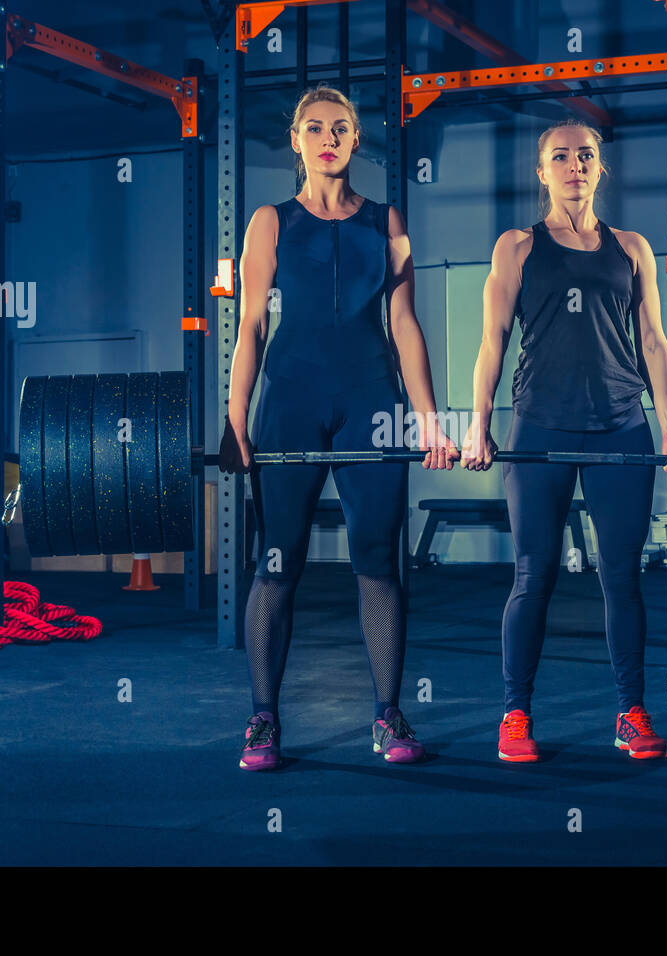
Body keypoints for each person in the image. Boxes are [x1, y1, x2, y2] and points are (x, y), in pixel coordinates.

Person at [219, 86, 458, 771]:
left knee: (378, 564)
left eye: (342, 128)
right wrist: (236, 422)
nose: (329, 137)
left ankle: (388, 715)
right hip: (290, 402)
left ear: (358, 141)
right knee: (277, 562)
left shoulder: (386, 221)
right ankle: (262, 718)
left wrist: (429, 420)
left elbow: (405, 325)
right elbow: (252, 327)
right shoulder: (270, 221)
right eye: (315, 128)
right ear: (296, 140)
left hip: (371, 403)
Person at [461, 119, 667, 763]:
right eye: (560, 157)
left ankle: (630, 712)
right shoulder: (515, 247)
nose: (574, 165)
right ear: (542, 172)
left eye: (586, 156)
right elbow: (492, 342)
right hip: (539, 425)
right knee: (532, 575)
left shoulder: (633, 248)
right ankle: (516, 714)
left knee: (621, 577)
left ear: (601, 169)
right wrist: (477, 423)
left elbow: (654, 342)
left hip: (622, 425)